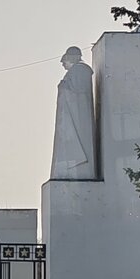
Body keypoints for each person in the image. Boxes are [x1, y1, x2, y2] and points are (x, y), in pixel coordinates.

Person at [50, 46, 97, 180]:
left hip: (79, 117)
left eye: (64, 61)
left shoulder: (80, 70)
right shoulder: (76, 71)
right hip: (75, 115)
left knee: (81, 146)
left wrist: (63, 86)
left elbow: (76, 91)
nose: (63, 64)